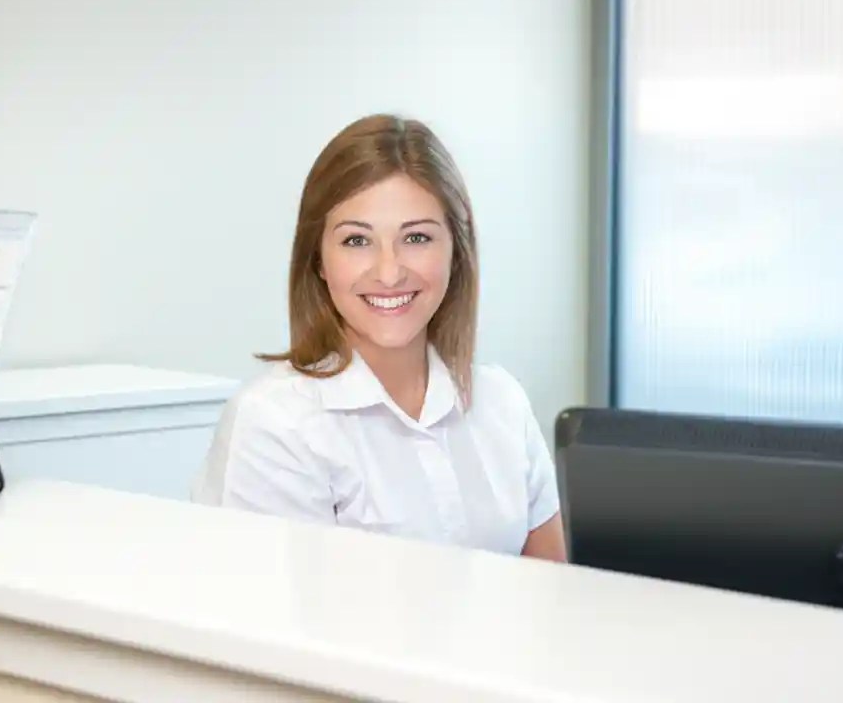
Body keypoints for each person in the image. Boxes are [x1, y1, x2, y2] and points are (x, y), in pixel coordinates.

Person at [191, 114, 566, 561]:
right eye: (356, 241)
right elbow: (269, 623)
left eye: (417, 237)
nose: (389, 272)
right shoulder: (276, 422)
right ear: (318, 261)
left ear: (456, 252)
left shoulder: (502, 401)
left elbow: (552, 599)